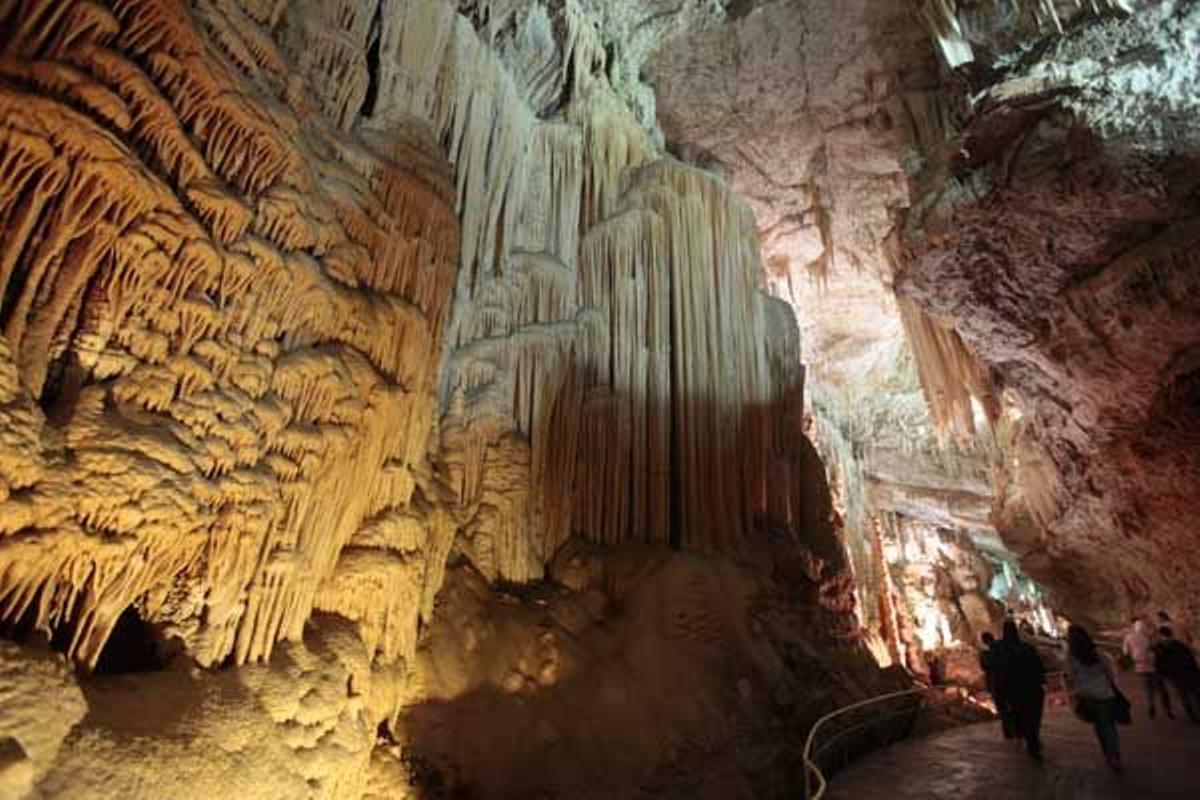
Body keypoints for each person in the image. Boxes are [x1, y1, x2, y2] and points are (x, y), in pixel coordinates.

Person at [1066, 624, 1124, 770]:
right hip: (1105, 694)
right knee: (1109, 726)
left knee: (1099, 726)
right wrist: (1112, 686)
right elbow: (1109, 673)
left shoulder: (1071, 658)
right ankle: (1115, 755)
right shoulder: (1098, 653)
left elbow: (1071, 677)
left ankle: (1107, 753)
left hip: (1087, 697)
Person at [993, 619, 1047, 758]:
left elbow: (997, 671)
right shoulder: (1026, 647)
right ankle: (1032, 738)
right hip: (1031, 687)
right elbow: (1038, 666)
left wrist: (999, 690)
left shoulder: (999, 649)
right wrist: (1042, 680)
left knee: (1020, 713)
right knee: (1033, 715)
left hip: (1012, 689)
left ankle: (1027, 737)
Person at [1124, 617, 1174, 719]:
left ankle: (1151, 705)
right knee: (1162, 689)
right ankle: (1168, 711)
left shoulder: (1128, 637)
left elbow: (1125, 652)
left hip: (1140, 667)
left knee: (1148, 689)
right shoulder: (1150, 636)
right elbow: (1158, 649)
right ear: (1144, 627)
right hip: (1154, 666)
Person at [1153, 626, 1200, 722]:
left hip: (1174, 675)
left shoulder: (1158, 647)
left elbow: (1158, 663)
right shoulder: (1179, 644)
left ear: (1161, 635)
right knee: (1194, 693)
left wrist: (1161, 674)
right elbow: (1190, 658)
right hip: (1187, 672)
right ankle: (1195, 713)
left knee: (1183, 694)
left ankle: (1191, 714)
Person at [980, 632, 1017, 739]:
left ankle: (1009, 731)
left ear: (984, 641)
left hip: (996, 683)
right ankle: (1017, 728)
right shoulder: (1004, 649)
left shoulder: (987, 654)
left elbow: (984, 667)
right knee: (1011, 705)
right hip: (1007, 681)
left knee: (1002, 708)